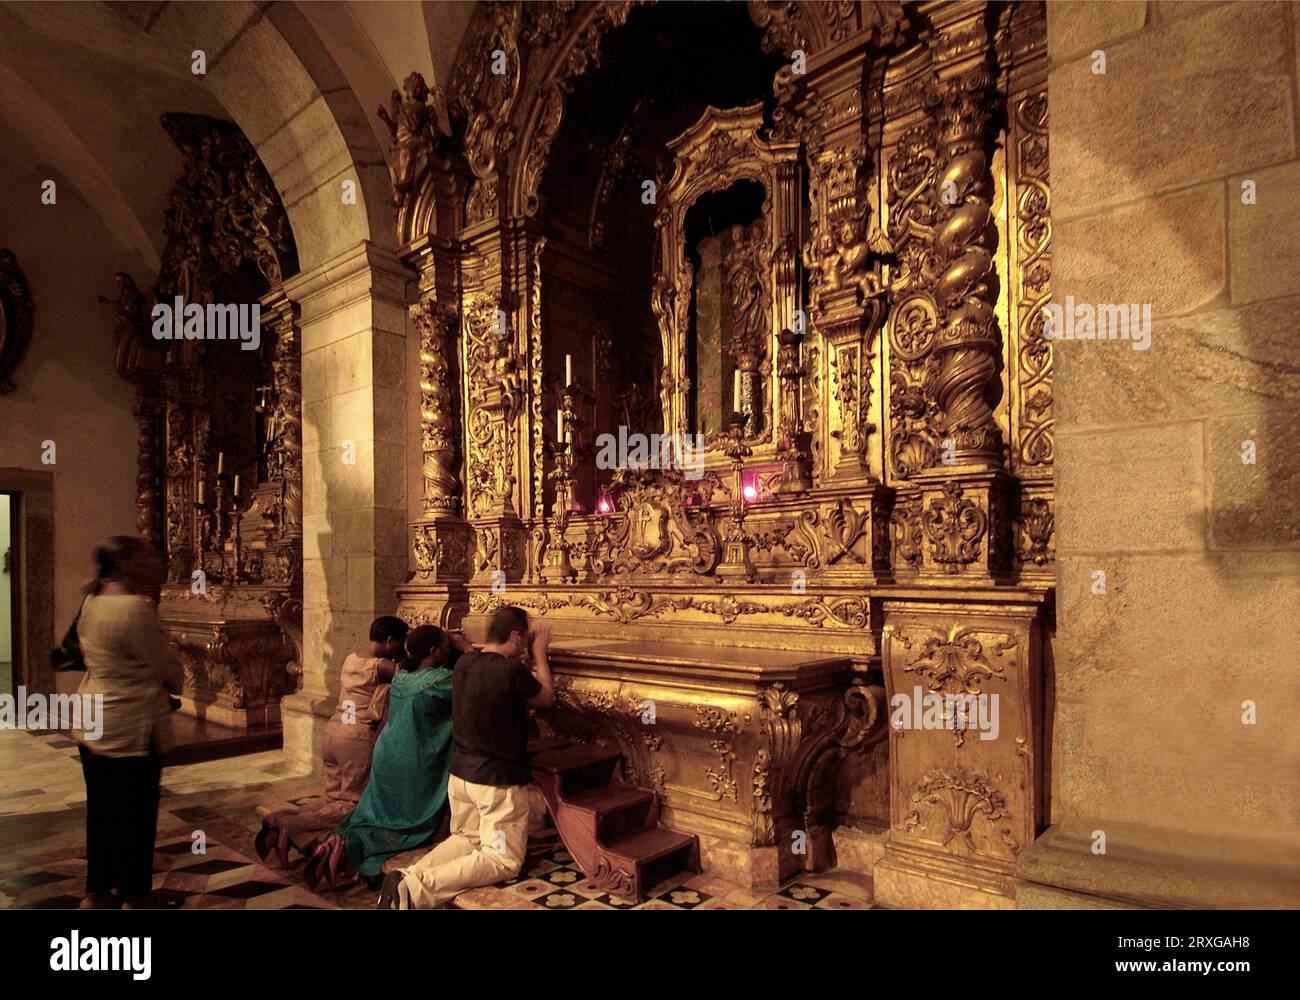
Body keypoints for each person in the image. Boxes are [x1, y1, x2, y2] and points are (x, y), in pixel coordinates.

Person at [378, 605, 554, 909]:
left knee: (466, 840)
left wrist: (465, 645)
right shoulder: (512, 671)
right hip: (495, 784)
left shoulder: (464, 664)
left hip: (461, 777)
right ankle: (413, 889)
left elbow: (479, 658)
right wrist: (540, 653)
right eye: (525, 637)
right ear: (515, 635)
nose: (526, 643)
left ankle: (407, 876)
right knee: (502, 860)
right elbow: (546, 699)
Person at [306, 624, 470, 890]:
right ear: (436, 651)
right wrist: (467, 648)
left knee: (373, 813)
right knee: (403, 825)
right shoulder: (441, 680)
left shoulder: (401, 676)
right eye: (446, 647)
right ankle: (349, 847)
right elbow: (474, 680)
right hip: (413, 758)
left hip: (386, 754)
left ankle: (334, 842)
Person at [71, 536, 182, 909]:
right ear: (127, 564)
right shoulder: (136, 607)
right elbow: (163, 663)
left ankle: (97, 892)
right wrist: (175, 682)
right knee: (136, 813)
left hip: (93, 716)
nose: (155, 561)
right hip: (129, 721)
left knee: (102, 810)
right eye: (146, 556)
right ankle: (134, 898)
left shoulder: (93, 600)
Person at [255, 615, 408, 866]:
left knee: (331, 797)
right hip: (356, 737)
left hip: (335, 730)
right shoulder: (380, 666)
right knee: (351, 804)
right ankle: (283, 824)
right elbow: (410, 678)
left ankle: (289, 834)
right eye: (401, 642)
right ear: (391, 641)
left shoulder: (352, 658)